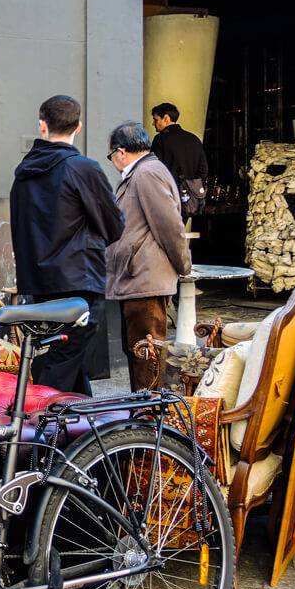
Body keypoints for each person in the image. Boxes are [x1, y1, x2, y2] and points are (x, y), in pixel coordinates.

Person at [10, 95, 124, 395]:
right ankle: (38, 431)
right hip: (78, 283)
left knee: (66, 362)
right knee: (57, 367)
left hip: (37, 285)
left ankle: (80, 433)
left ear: (42, 126)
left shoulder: (23, 174)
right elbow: (115, 224)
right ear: (79, 126)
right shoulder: (82, 168)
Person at [105, 122, 192, 389]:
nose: (112, 162)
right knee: (139, 351)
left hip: (145, 279)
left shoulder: (146, 174)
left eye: (111, 156)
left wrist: (184, 265)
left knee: (147, 353)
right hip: (138, 278)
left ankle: (148, 419)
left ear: (121, 152)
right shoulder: (143, 172)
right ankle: (142, 414)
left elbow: (169, 226)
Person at [150, 102, 208, 218]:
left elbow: (153, 171)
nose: (153, 123)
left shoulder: (160, 139)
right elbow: (203, 170)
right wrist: (191, 186)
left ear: (166, 118)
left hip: (167, 199)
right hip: (189, 201)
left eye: (156, 120)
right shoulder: (194, 139)